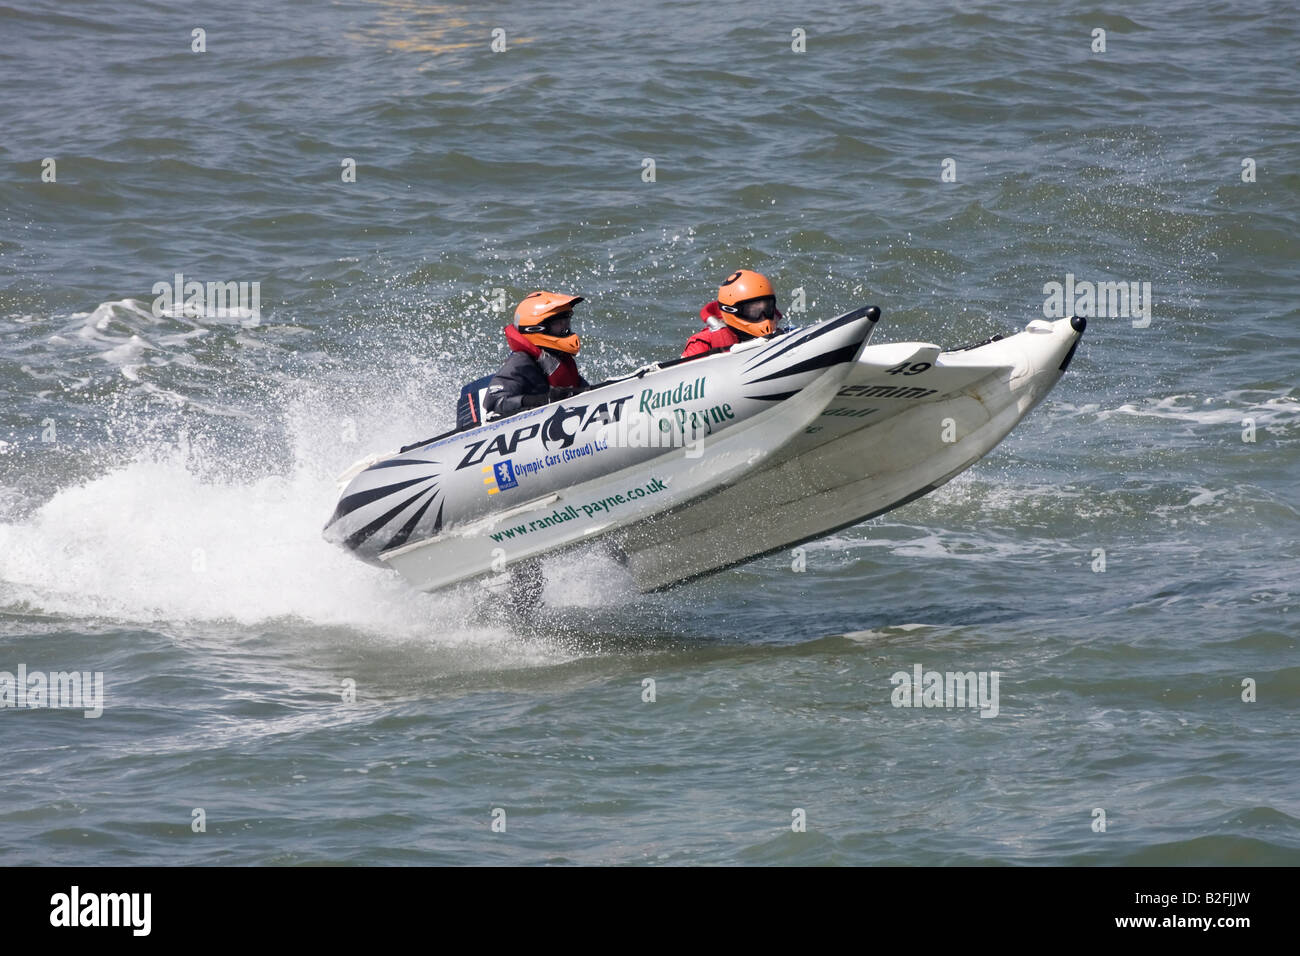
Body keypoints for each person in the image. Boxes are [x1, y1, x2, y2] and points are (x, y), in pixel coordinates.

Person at [482, 290, 589, 417]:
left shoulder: (559, 358)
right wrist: (544, 400)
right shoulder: (521, 361)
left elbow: (585, 392)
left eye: (566, 322)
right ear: (536, 328)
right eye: (558, 323)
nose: (565, 328)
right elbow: (493, 401)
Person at [681, 269, 783, 358]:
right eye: (754, 311)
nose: (763, 318)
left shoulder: (778, 334)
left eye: (767, 308)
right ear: (731, 310)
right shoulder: (702, 343)